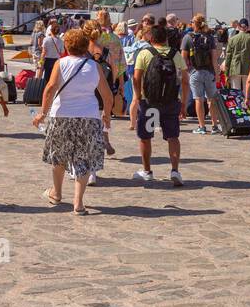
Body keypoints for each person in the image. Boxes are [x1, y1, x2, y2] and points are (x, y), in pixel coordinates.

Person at [33, 27, 113, 212]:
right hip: (88, 117)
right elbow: (107, 95)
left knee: (58, 157)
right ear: (85, 47)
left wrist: (42, 113)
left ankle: (57, 193)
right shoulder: (95, 66)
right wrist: (106, 115)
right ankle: (78, 202)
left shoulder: (60, 64)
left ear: (67, 46)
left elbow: (50, 88)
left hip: (61, 115)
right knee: (83, 159)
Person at [131, 22, 188, 186]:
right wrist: (183, 102)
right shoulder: (175, 55)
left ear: (151, 38)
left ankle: (147, 171)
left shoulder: (145, 54)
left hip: (150, 102)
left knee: (145, 137)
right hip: (170, 102)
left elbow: (136, 78)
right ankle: (175, 170)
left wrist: (137, 95)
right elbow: (184, 80)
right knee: (173, 137)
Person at [181, 14, 220, 135]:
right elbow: (214, 58)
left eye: (192, 22)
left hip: (195, 72)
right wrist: (217, 73)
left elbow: (183, 59)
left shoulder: (188, 38)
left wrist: (186, 72)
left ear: (195, 24)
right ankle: (214, 126)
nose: (190, 23)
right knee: (212, 99)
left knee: (198, 99)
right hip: (209, 72)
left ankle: (202, 126)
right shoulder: (210, 37)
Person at [223, 18, 250, 93]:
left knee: (236, 92)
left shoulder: (232, 39)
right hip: (248, 69)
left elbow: (228, 57)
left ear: (239, 27)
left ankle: (238, 105)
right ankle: (247, 104)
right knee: (247, 91)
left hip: (234, 69)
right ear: (247, 27)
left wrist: (226, 73)